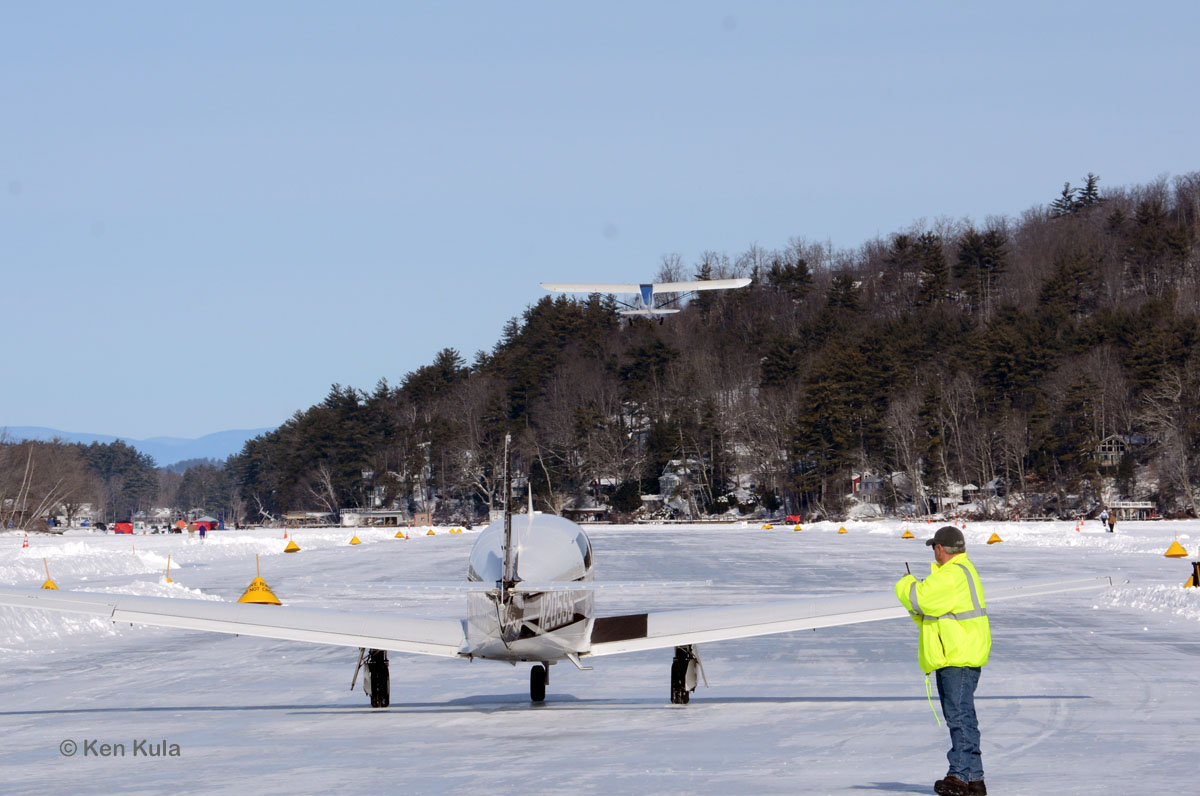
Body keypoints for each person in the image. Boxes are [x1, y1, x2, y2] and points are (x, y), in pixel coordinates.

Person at [895, 526, 991, 796]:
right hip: (960, 654)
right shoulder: (960, 572)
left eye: (934, 547)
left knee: (959, 717)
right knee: (963, 716)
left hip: (957, 656)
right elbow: (929, 611)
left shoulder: (952, 575)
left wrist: (907, 582)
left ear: (941, 548)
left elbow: (920, 599)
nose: (933, 552)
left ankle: (958, 776)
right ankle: (974, 779)